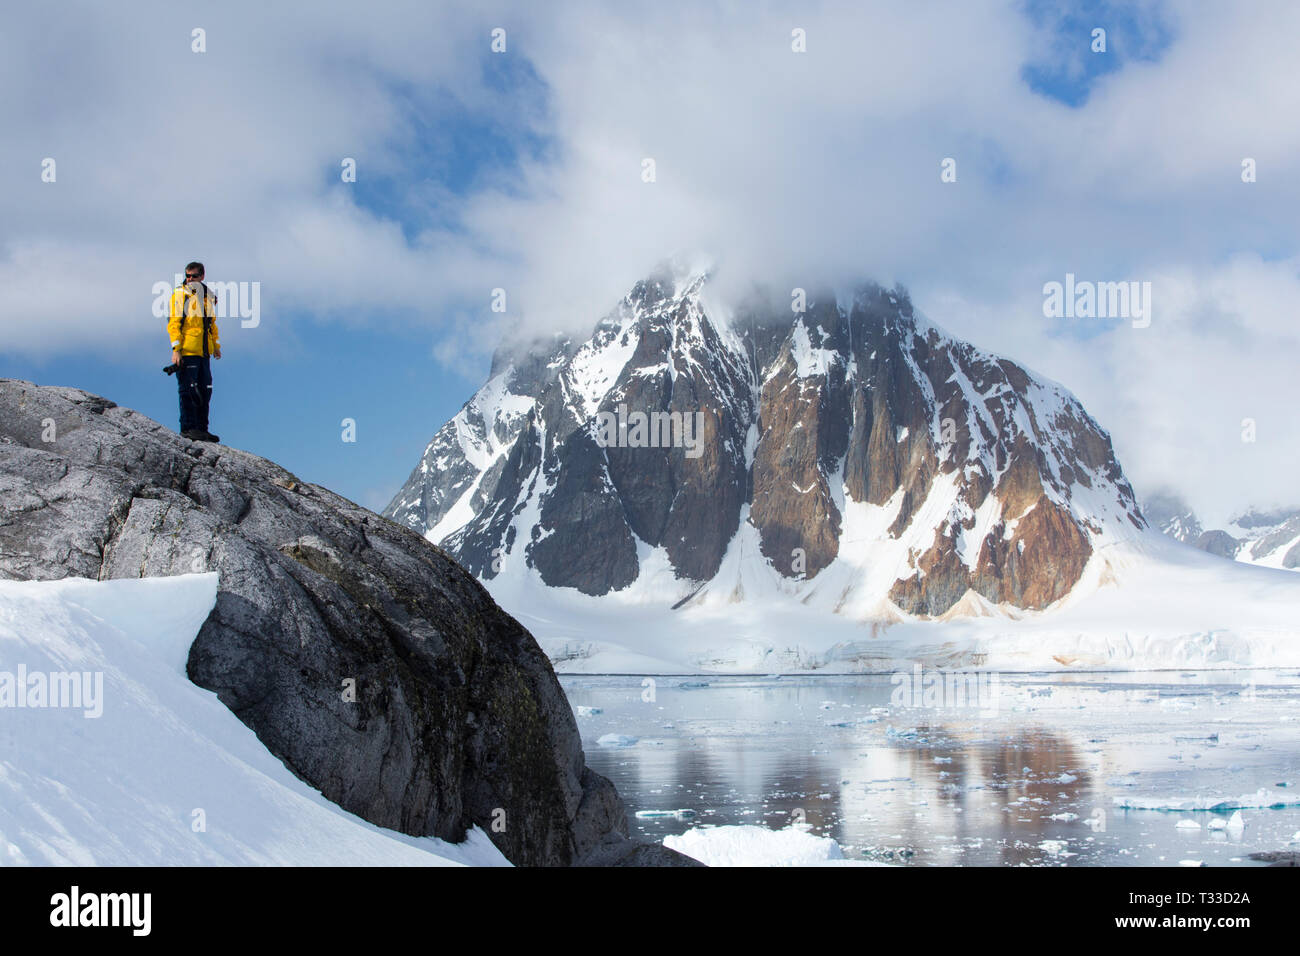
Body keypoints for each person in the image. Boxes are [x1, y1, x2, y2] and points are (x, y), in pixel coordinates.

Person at [167, 261, 222, 442]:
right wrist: (176, 350)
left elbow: (211, 325)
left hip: (204, 353)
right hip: (188, 351)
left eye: (194, 276)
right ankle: (188, 428)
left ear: (202, 276)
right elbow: (174, 324)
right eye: (187, 276)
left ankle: (202, 429)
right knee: (188, 391)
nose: (190, 279)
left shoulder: (207, 297)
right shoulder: (180, 295)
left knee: (205, 390)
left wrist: (216, 347)